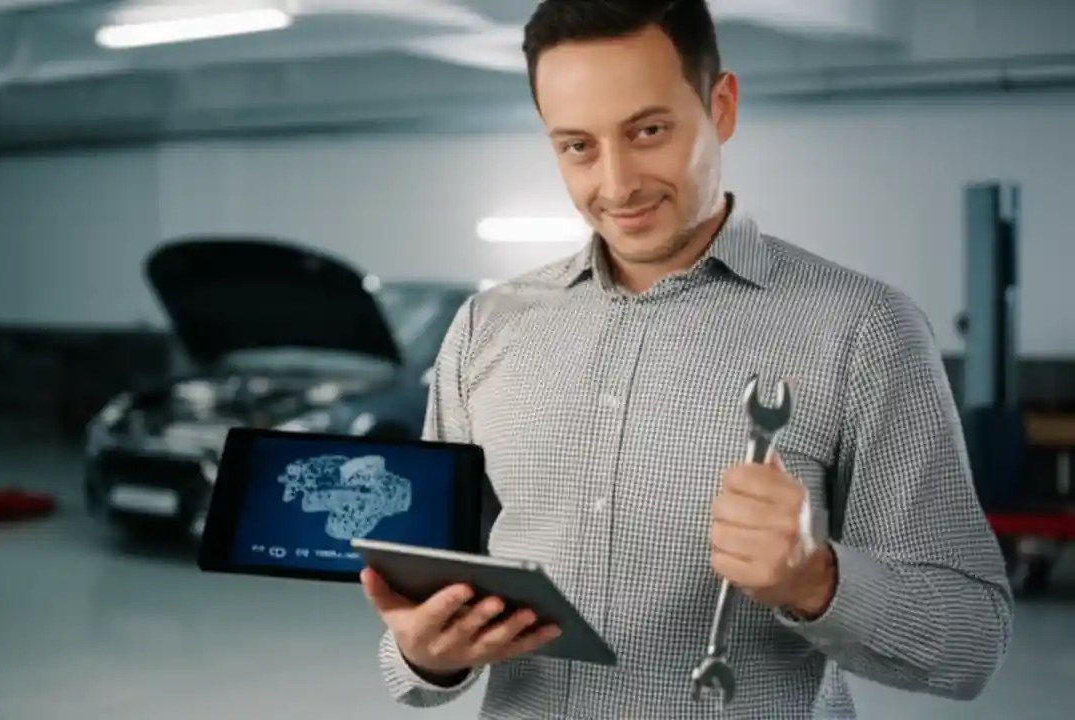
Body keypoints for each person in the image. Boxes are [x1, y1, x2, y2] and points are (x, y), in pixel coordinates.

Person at [359, 0, 1014, 717]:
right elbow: (434, 597)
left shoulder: (861, 329)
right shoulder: (486, 328)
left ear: (721, 107)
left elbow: (972, 640)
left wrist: (816, 580)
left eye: (648, 131)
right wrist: (426, 653)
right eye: (577, 145)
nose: (617, 183)